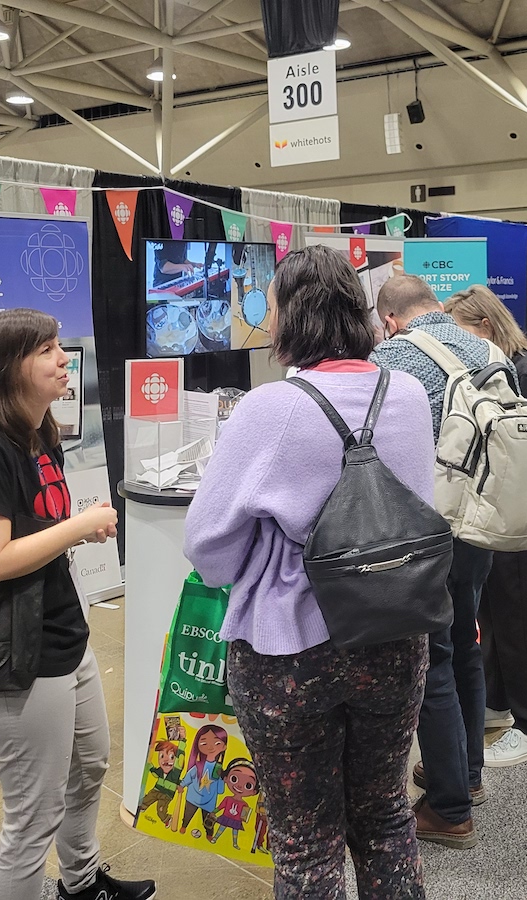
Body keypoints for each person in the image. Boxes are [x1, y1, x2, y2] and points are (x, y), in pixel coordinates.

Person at [184, 245, 437, 895]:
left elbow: (207, 545)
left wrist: (267, 555)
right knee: (384, 817)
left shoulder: (271, 409)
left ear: (292, 316)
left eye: (270, 306)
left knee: (305, 843)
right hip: (395, 633)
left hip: (289, 651)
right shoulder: (405, 393)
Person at [0, 308, 154, 900]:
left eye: (60, 346)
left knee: (89, 763)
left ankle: (83, 883)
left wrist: (72, 533)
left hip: (61, 631)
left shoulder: (40, 432)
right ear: (10, 368)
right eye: (47, 350)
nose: (64, 359)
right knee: (33, 814)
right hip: (16, 651)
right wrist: (80, 526)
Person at [370, 273, 517, 850]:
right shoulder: (486, 348)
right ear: (433, 303)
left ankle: (450, 807)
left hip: (427, 528)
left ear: (389, 319)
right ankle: (466, 773)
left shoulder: (391, 357)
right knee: (465, 642)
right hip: (483, 520)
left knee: (430, 658)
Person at [446, 285, 527, 769]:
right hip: (498, 514)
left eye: (460, 330)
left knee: (516, 619)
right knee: (491, 614)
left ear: (485, 325)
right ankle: (498, 702)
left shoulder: (524, 373)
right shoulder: (496, 372)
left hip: (520, 515)